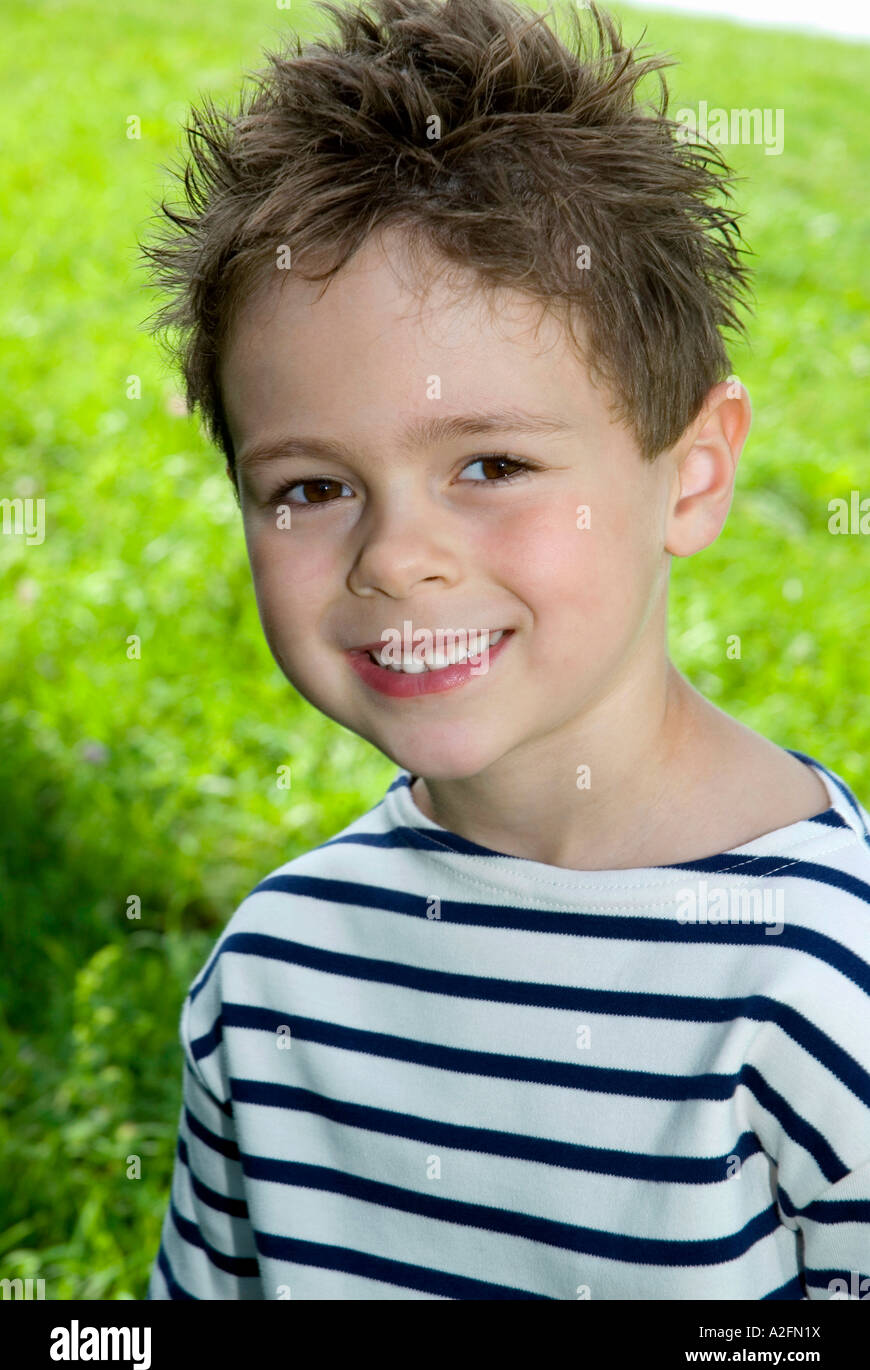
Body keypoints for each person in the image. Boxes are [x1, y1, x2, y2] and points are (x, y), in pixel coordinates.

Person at [140, 0, 870, 1299]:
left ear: (692, 474)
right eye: (309, 486)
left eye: (490, 463)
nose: (394, 557)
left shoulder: (821, 988)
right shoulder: (274, 974)